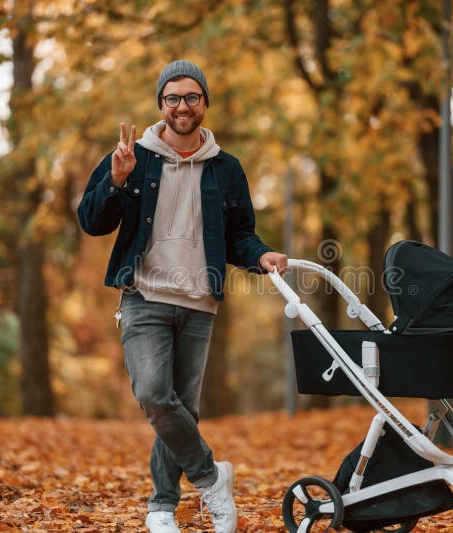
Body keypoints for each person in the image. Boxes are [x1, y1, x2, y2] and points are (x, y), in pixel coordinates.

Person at [76, 60, 287, 533]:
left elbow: (239, 235)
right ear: (161, 105)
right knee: (154, 394)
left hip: (199, 303)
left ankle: (161, 507)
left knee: (182, 411)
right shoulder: (133, 156)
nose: (182, 106)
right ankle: (211, 477)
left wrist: (262, 255)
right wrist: (115, 181)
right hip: (144, 295)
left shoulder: (226, 168)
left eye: (192, 97)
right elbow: (91, 221)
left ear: (205, 103)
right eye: (173, 98)